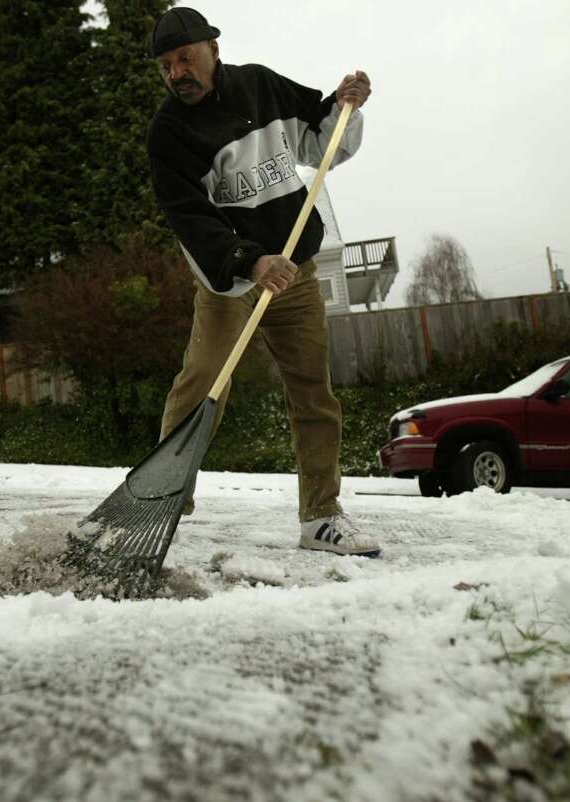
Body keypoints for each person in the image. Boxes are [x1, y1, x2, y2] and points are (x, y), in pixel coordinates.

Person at [146, 7, 379, 557]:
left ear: (213, 50)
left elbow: (321, 139)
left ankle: (321, 516)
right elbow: (191, 219)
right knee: (202, 382)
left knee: (313, 394)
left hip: (294, 276)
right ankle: (160, 501)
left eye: (186, 58)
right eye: (165, 65)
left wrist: (346, 104)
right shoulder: (169, 135)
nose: (177, 72)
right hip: (229, 284)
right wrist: (250, 262)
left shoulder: (259, 86)